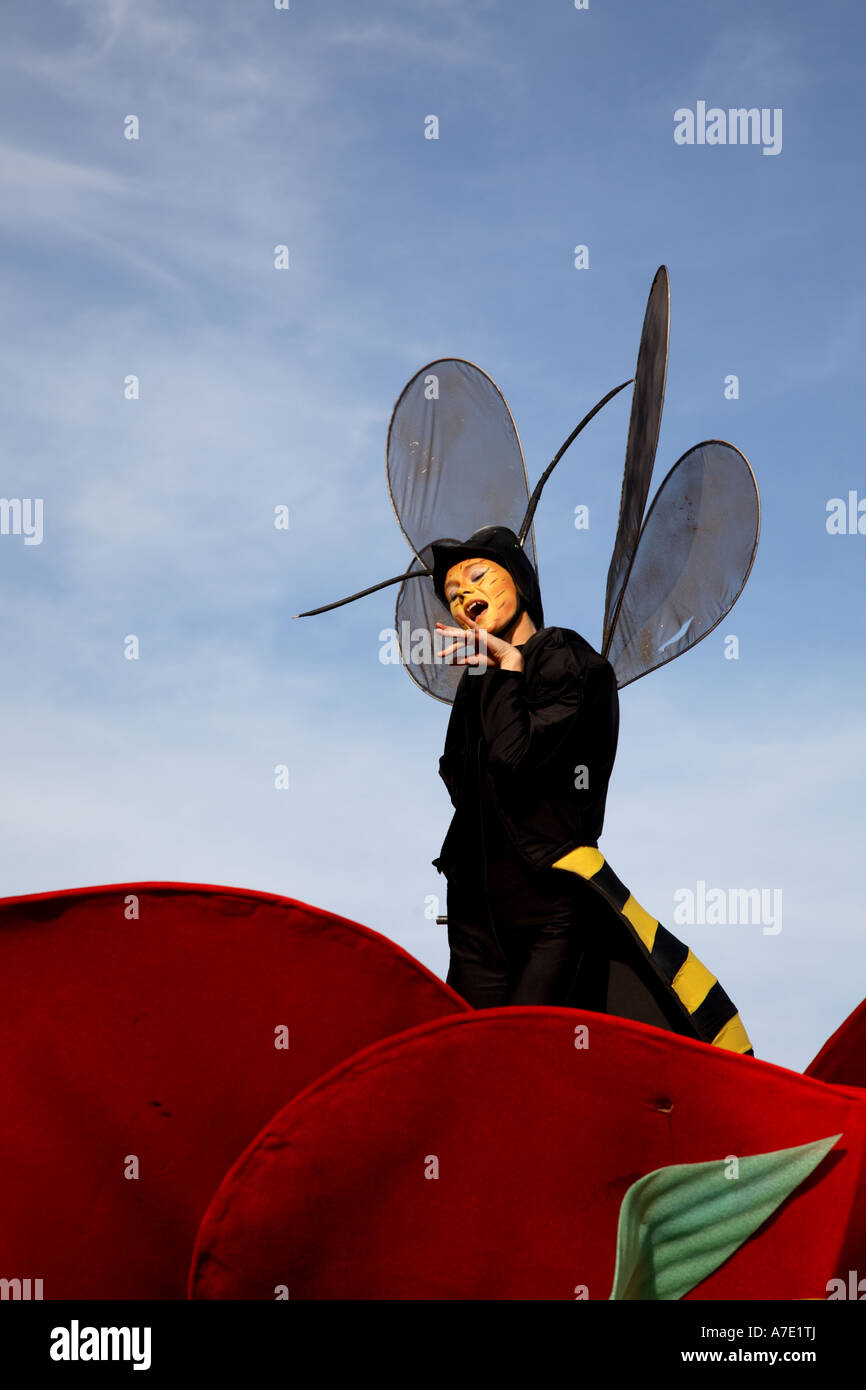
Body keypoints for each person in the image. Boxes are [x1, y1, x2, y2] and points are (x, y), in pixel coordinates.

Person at [430, 525, 721, 1037]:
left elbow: (514, 758)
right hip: (475, 908)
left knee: (527, 1048)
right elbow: (458, 778)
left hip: (547, 900)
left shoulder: (566, 657)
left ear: (519, 584)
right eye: (452, 594)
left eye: (477, 577)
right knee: (470, 1055)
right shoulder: (475, 685)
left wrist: (510, 669)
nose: (464, 597)